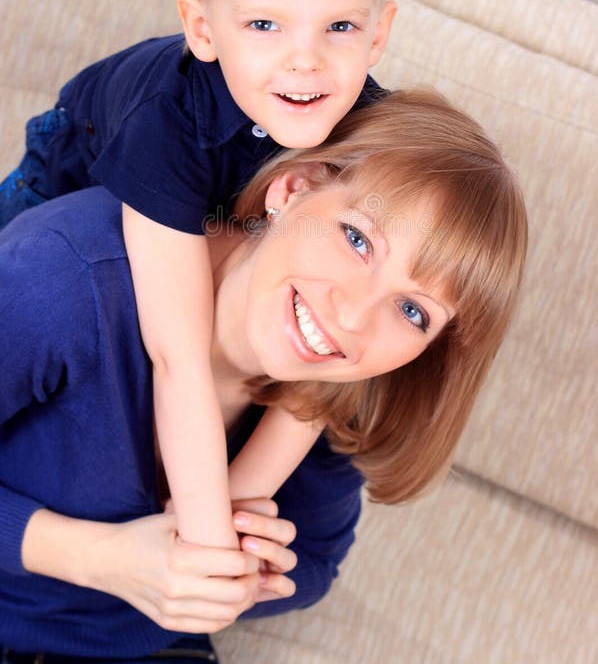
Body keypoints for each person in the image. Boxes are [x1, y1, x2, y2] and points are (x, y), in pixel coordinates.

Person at [0, 89, 527, 661]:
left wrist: (242, 576)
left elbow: (317, 561)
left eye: (412, 311)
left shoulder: (334, 390)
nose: (352, 317)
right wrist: (99, 558)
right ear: (292, 188)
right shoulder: (64, 282)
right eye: (357, 241)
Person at [0, 0, 398, 553]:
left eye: (339, 27)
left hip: (229, 215)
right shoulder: (168, 121)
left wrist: (235, 519)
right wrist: (207, 546)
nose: (306, 61)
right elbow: (176, 356)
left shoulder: (372, 134)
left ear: (379, 34)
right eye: (265, 25)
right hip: (69, 174)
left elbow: (323, 371)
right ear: (203, 29)